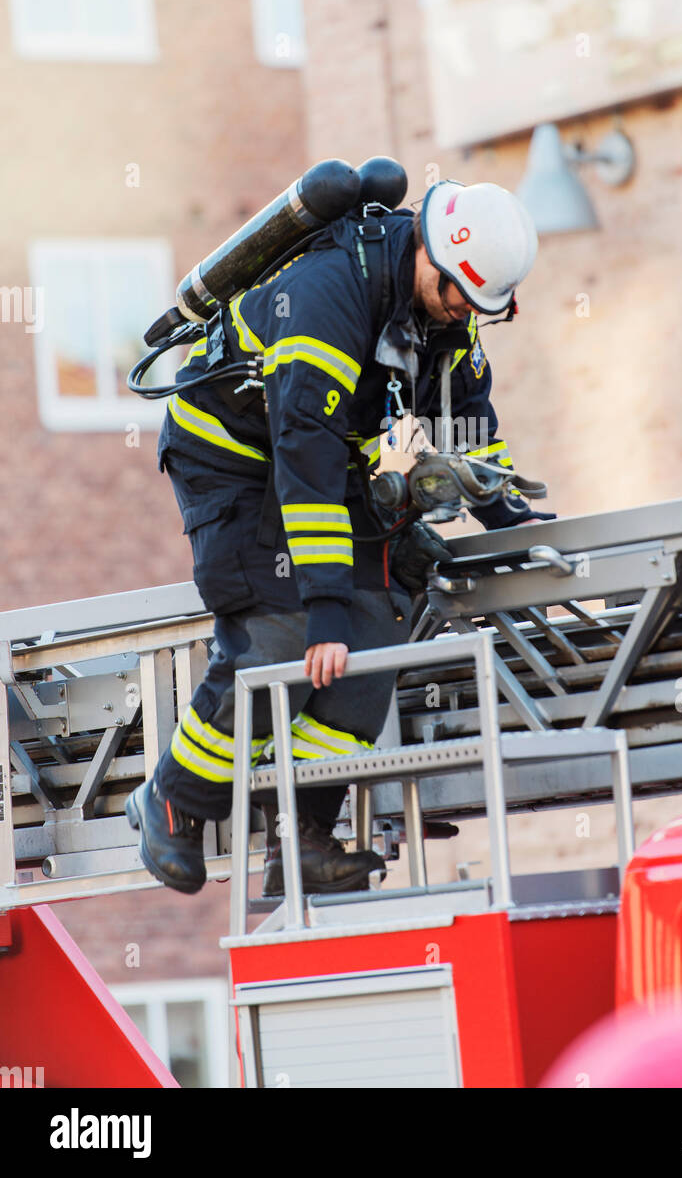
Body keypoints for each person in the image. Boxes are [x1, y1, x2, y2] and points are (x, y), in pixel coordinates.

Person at [126, 177, 550, 896]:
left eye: (474, 307)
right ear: (430, 254)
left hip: (315, 456)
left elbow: (469, 420)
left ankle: (302, 841)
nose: (459, 315)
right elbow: (306, 453)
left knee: (374, 637)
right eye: (454, 297)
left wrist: (513, 520)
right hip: (231, 456)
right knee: (281, 635)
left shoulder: (445, 310)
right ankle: (173, 800)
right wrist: (322, 603)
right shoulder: (329, 297)